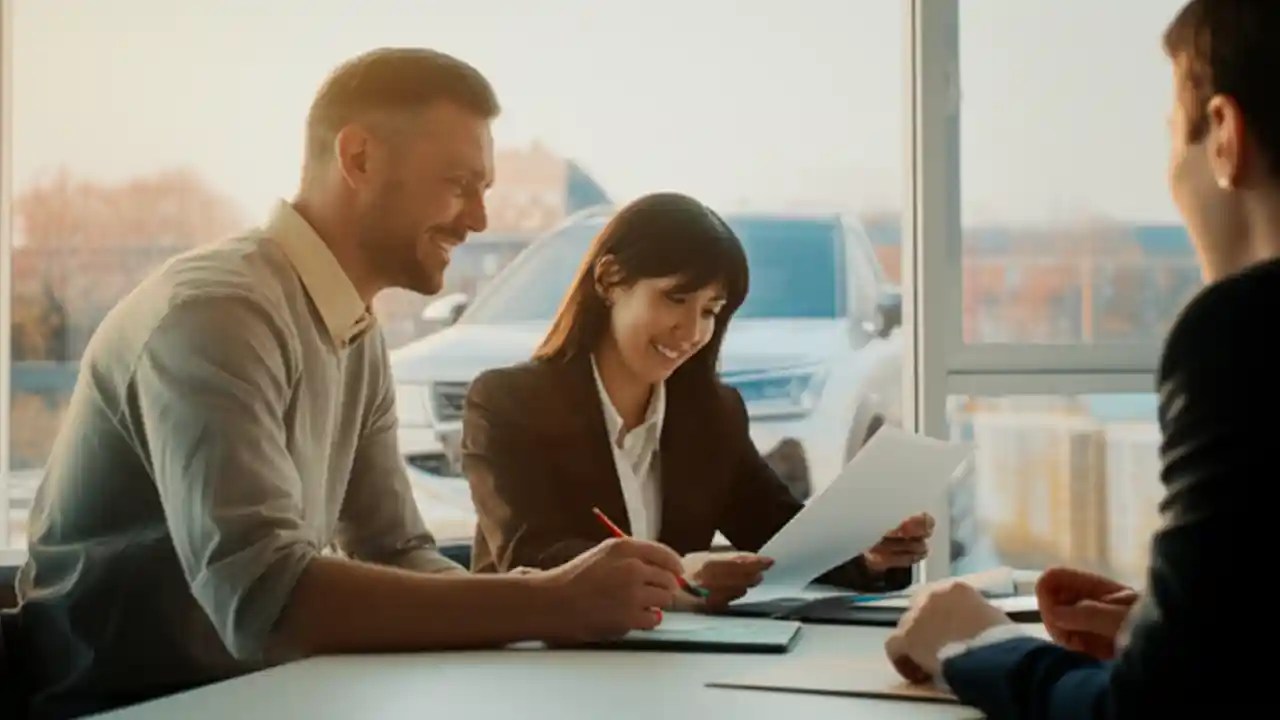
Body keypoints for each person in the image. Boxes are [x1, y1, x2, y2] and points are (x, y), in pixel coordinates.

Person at [14, 48, 684, 718]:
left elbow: (397, 550)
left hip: (259, 696)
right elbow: (265, 601)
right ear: (359, 158)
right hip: (130, 707)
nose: (478, 219)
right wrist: (548, 604)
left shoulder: (351, 330)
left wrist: (562, 606)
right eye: (459, 183)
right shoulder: (215, 315)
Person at [884, 0, 1279, 714]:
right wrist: (1169, 633)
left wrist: (975, 645)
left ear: (1224, 135)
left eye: (1170, 138)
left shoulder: (1242, 333)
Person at [461, 191, 934, 609]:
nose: (692, 332)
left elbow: (784, 540)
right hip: (536, 669)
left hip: (671, 673)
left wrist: (868, 556)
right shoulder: (508, 403)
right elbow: (527, 556)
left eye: (710, 310)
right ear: (608, 280)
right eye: (675, 299)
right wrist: (678, 577)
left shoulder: (713, 415)